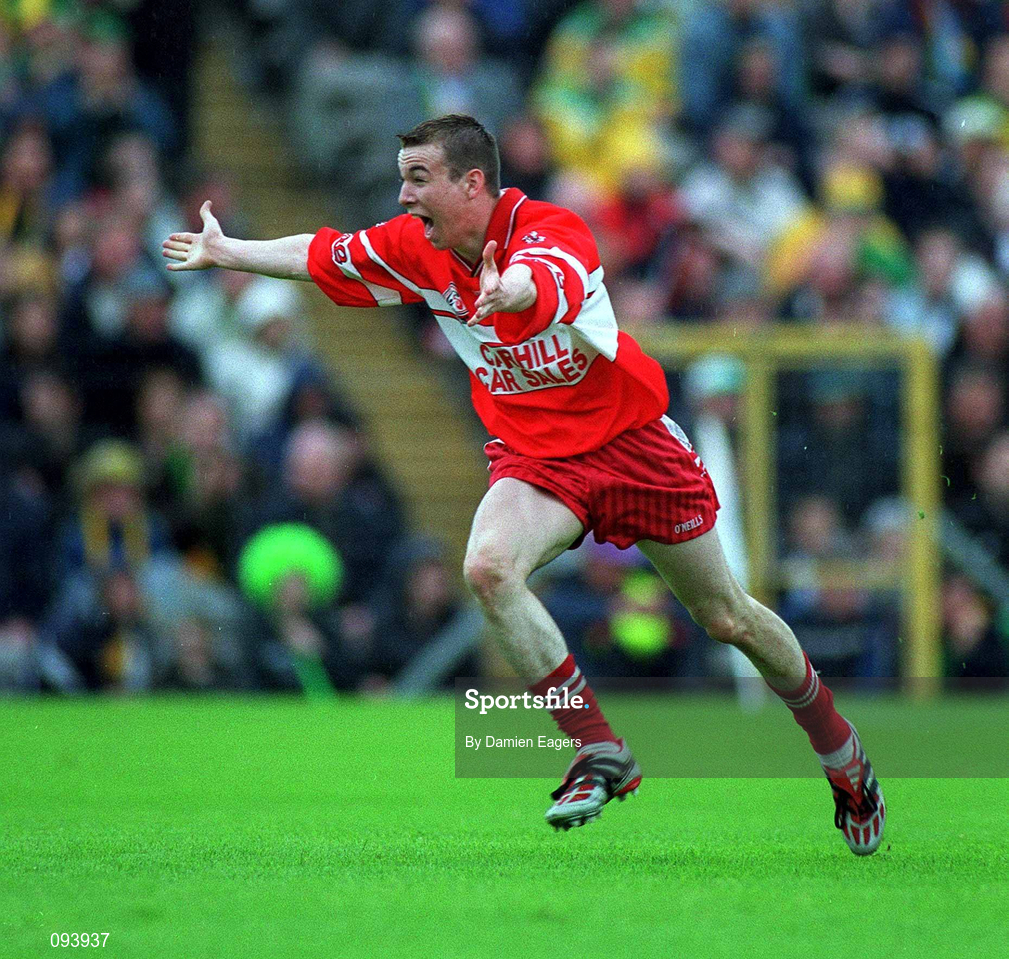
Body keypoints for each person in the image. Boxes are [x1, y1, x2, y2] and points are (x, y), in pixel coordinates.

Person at [162, 114, 885, 853]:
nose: (404, 196)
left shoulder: (549, 229)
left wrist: (510, 293)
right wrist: (229, 252)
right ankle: (597, 750)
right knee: (487, 567)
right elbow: (325, 253)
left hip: (631, 444)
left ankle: (841, 755)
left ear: (471, 183)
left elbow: (550, 279)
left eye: (418, 179)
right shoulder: (419, 248)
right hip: (536, 457)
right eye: (402, 178)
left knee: (727, 617)